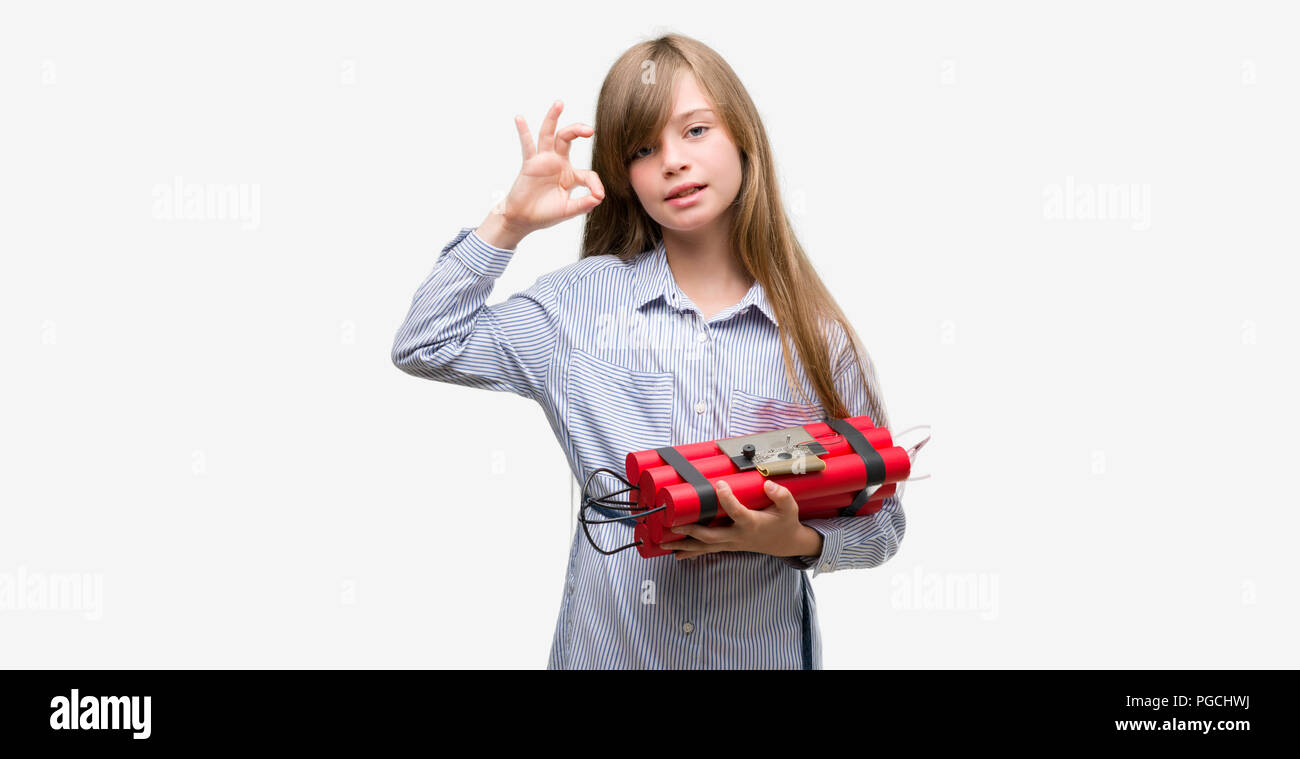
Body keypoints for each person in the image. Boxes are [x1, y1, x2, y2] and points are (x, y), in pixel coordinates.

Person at [391, 33, 906, 669]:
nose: (672, 161)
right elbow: (426, 342)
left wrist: (790, 538)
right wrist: (510, 221)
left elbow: (882, 524)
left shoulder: (813, 333)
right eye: (643, 147)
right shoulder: (581, 306)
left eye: (695, 131)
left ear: (742, 136)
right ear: (623, 175)